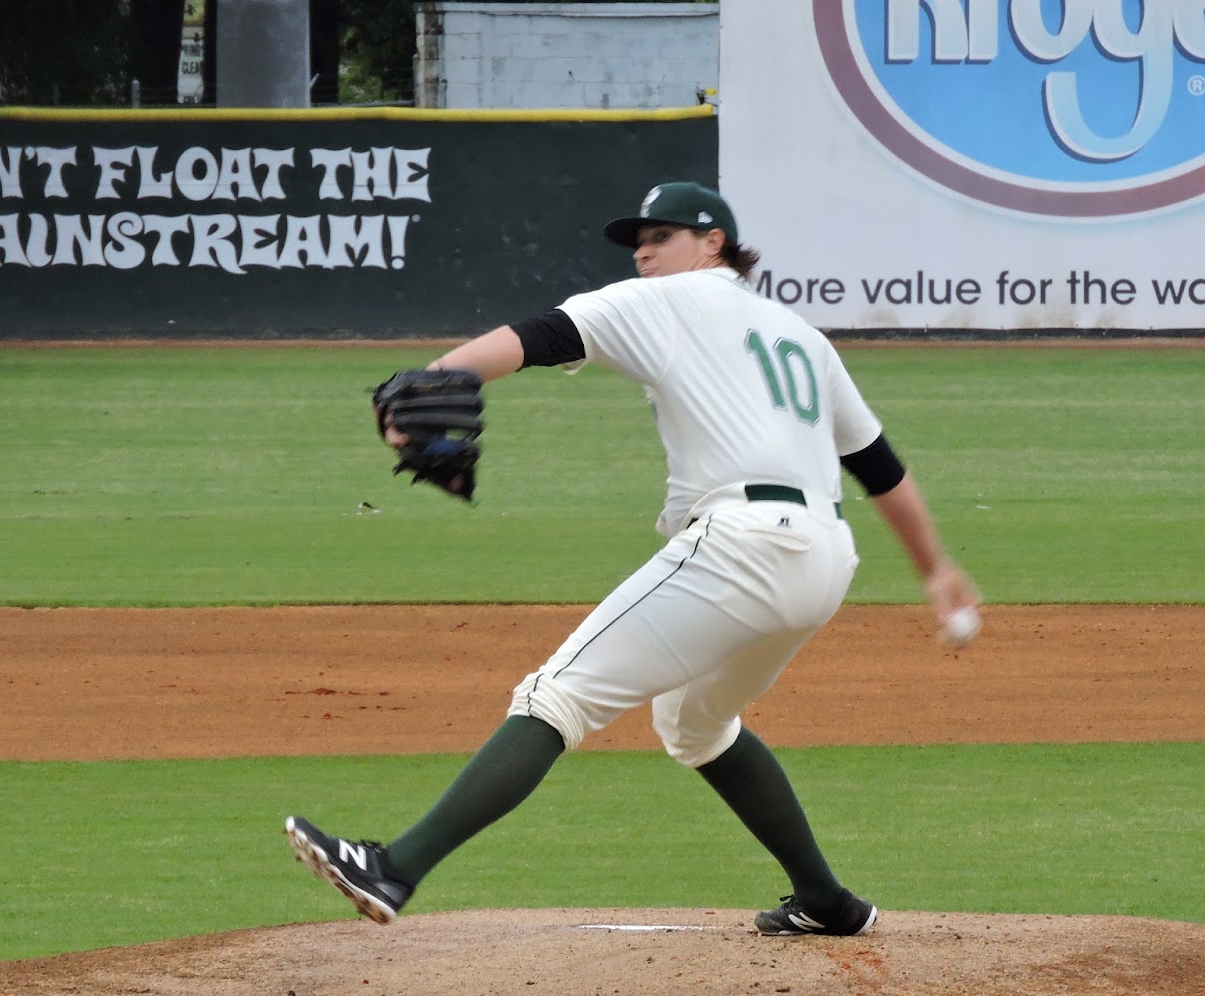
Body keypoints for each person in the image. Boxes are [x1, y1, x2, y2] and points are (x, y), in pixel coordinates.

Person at [286, 182, 980, 936]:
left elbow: (539, 336)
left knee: (556, 695)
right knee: (693, 722)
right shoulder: (800, 336)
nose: (643, 251)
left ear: (713, 243)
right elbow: (878, 468)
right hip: (823, 562)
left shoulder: (666, 302)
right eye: (636, 241)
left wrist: (425, 383)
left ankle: (393, 867)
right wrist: (935, 568)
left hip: (743, 545)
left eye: (662, 234)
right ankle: (827, 900)